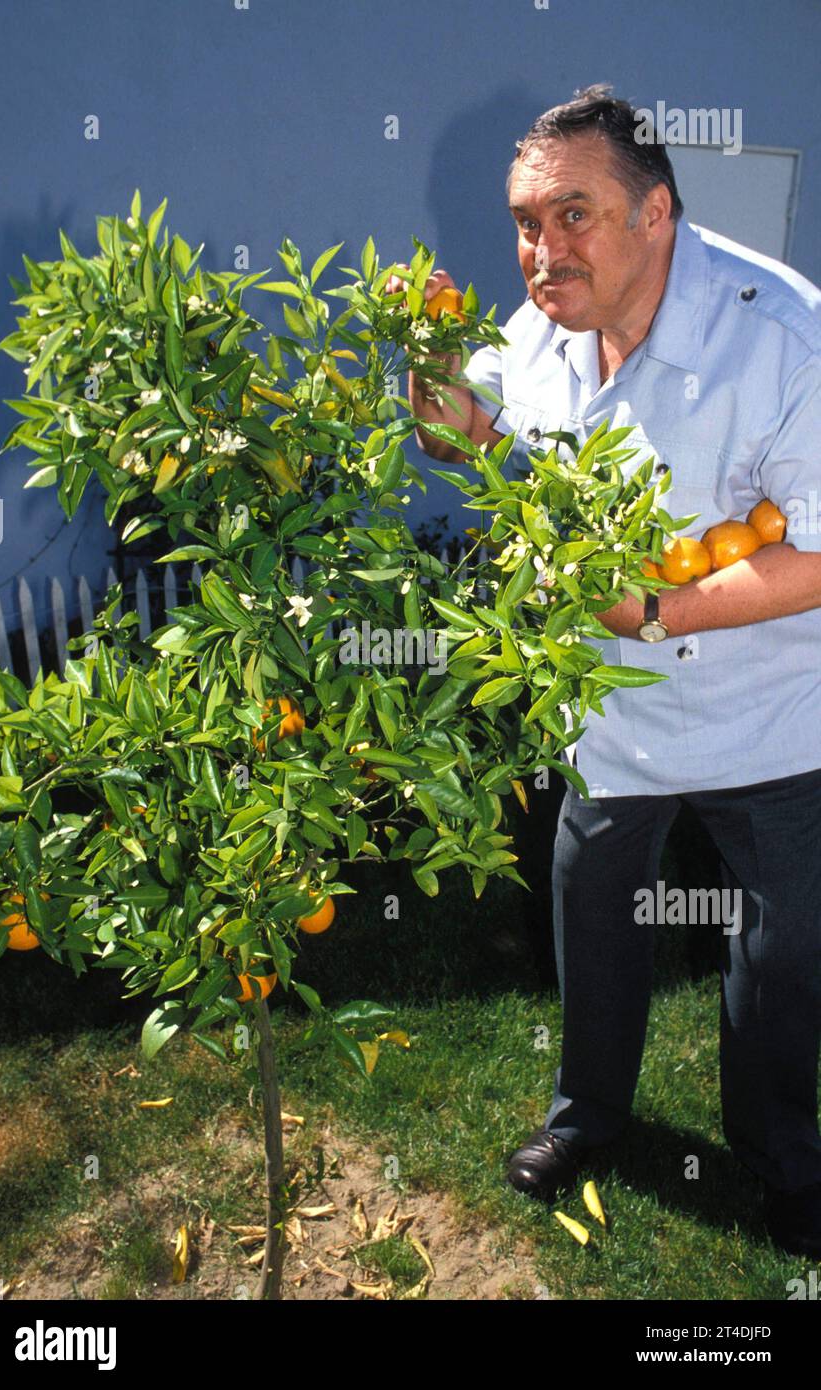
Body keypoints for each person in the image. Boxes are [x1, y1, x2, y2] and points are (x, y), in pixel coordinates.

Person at [387, 84, 821, 1258]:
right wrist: (434, 384)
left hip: (769, 707)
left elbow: (820, 553)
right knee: (598, 924)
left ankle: (782, 1163)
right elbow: (462, 426)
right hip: (613, 718)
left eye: (572, 215)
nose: (541, 249)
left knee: (780, 958)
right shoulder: (541, 331)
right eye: (526, 222)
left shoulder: (782, 335)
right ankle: (587, 1118)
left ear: (657, 212)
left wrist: (660, 607)